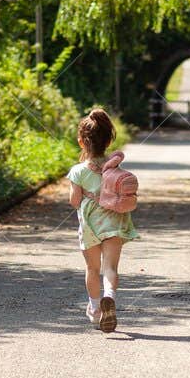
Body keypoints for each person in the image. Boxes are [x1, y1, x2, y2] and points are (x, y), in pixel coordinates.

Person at [67, 108, 139, 333]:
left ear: (81, 141)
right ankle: (110, 296)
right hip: (114, 222)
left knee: (92, 267)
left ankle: (96, 308)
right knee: (111, 267)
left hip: (89, 226)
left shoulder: (77, 171)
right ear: (109, 140)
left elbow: (74, 201)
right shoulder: (115, 168)